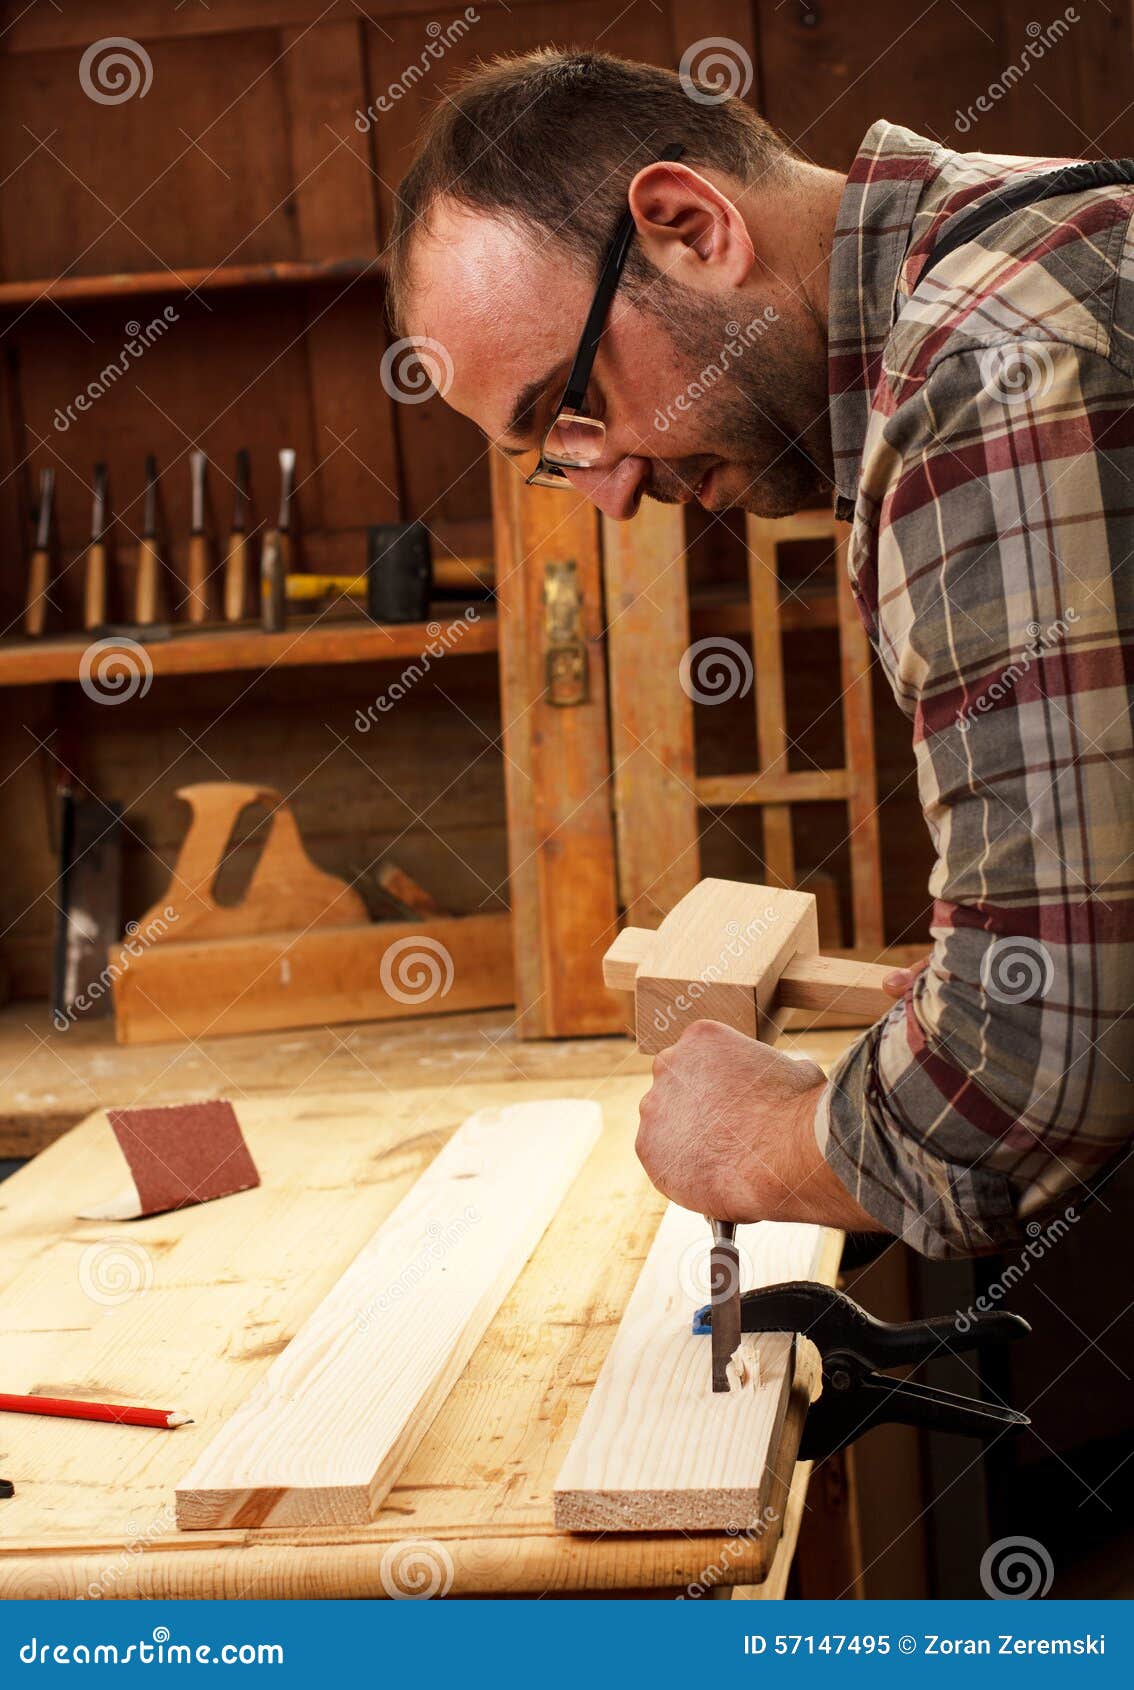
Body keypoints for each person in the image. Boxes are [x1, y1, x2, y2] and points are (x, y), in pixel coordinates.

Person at [387, 49, 1133, 1257]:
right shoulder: (1044, 235)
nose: (611, 490)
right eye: (557, 455)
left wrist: (760, 1137)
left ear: (689, 228)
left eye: (572, 406)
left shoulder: (979, 370)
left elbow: (1039, 1077)